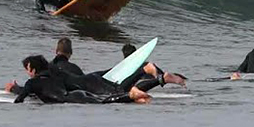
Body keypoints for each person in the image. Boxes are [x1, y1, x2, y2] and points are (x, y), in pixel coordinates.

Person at [8, 55, 151, 104]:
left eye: (27, 69)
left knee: (105, 101)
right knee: (104, 100)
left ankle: (132, 95)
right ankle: (133, 97)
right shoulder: (56, 77)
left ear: (32, 69)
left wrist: (14, 91)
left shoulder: (31, 83)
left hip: (73, 99)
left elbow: (20, 99)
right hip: (78, 94)